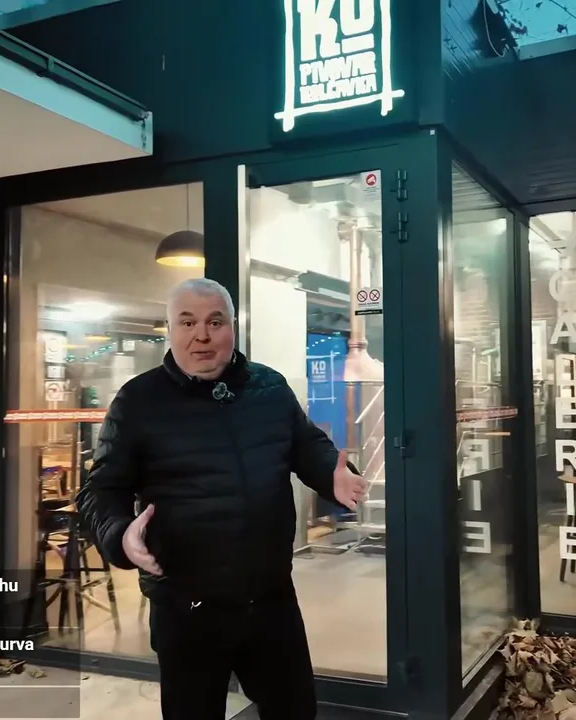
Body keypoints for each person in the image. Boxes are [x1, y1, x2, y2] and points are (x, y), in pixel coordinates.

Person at [76, 277, 368, 720]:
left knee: (294, 711)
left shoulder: (269, 388)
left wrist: (333, 474)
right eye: (187, 322)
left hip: (270, 598)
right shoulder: (138, 401)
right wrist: (120, 536)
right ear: (170, 329)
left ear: (233, 326)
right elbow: (101, 491)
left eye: (215, 322)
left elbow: (305, 446)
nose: (202, 335)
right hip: (186, 605)